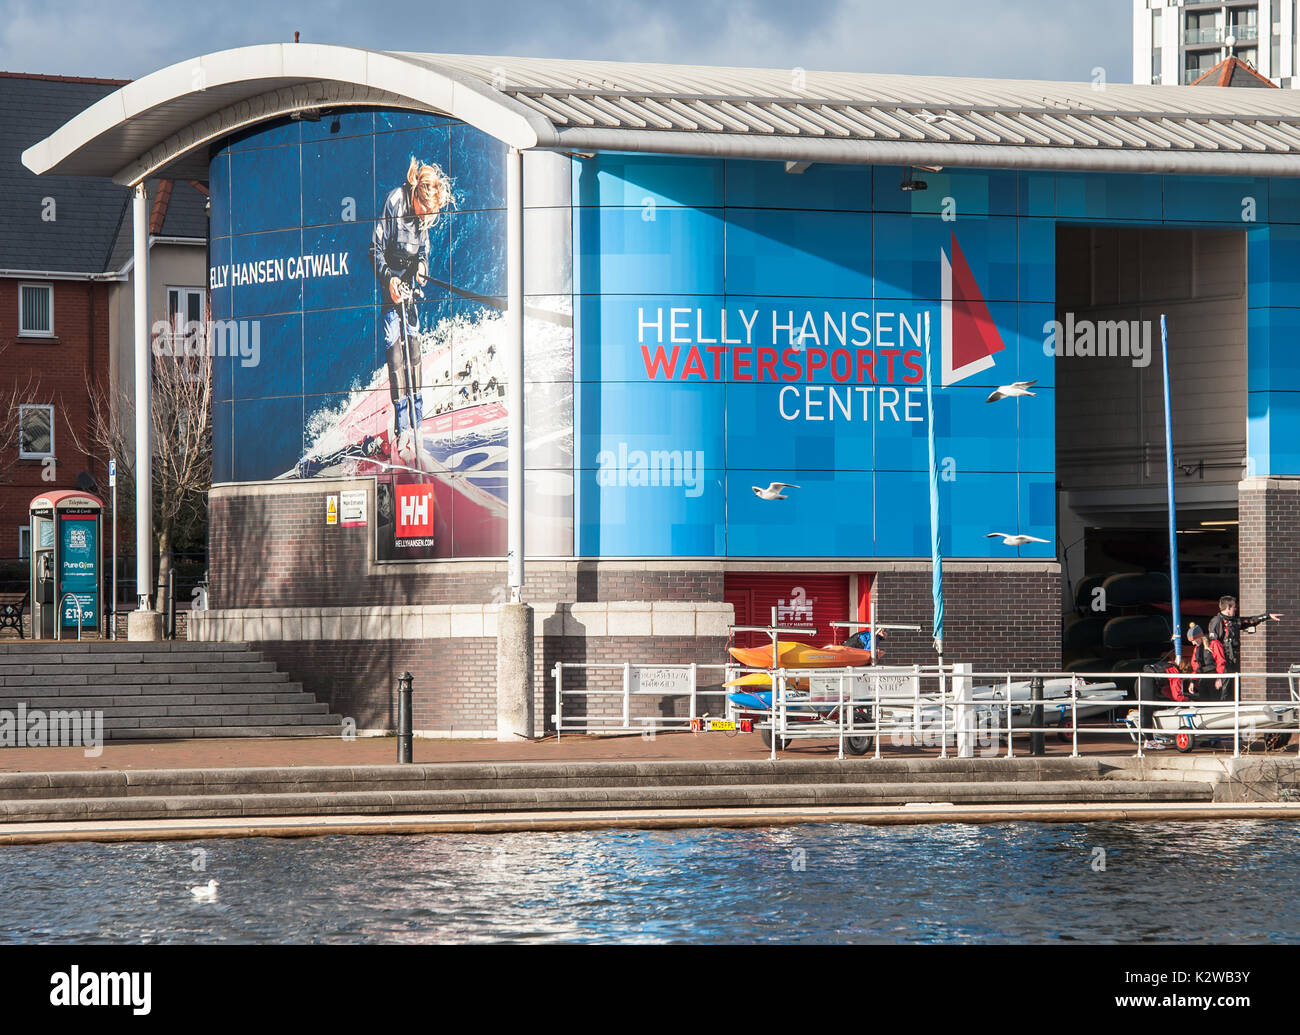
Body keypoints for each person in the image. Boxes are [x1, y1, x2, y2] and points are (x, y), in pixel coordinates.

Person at [370, 156, 454, 467]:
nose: (427, 219)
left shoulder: (424, 216)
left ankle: (420, 418)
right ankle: (402, 427)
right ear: (417, 196)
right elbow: (374, 249)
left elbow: (425, 250)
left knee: (414, 350)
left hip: (411, 288)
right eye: (425, 211)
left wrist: (422, 267)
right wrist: (390, 280)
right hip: (391, 286)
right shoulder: (395, 202)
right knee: (395, 355)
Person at [1207, 596, 1283, 698]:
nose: (1236, 609)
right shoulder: (1217, 621)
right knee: (1225, 690)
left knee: (1234, 688)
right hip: (1223, 662)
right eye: (1234, 607)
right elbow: (1214, 645)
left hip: (1233, 659)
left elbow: (1250, 620)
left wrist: (1267, 616)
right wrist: (1220, 672)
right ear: (1228, 607)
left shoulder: (1233, 621)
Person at [1186, 623, 1226, 701]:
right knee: (1204, 701)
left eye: (1194, 640)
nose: (1193, 643)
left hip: (1213, 676)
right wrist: (1192, 681)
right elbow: (1195, 667)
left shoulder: (1214, 644)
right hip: (1202, 678)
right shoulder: (1197, 649)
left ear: (1200, 636)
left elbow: (1220, 661)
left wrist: (1219, 678)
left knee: (1214, 700)